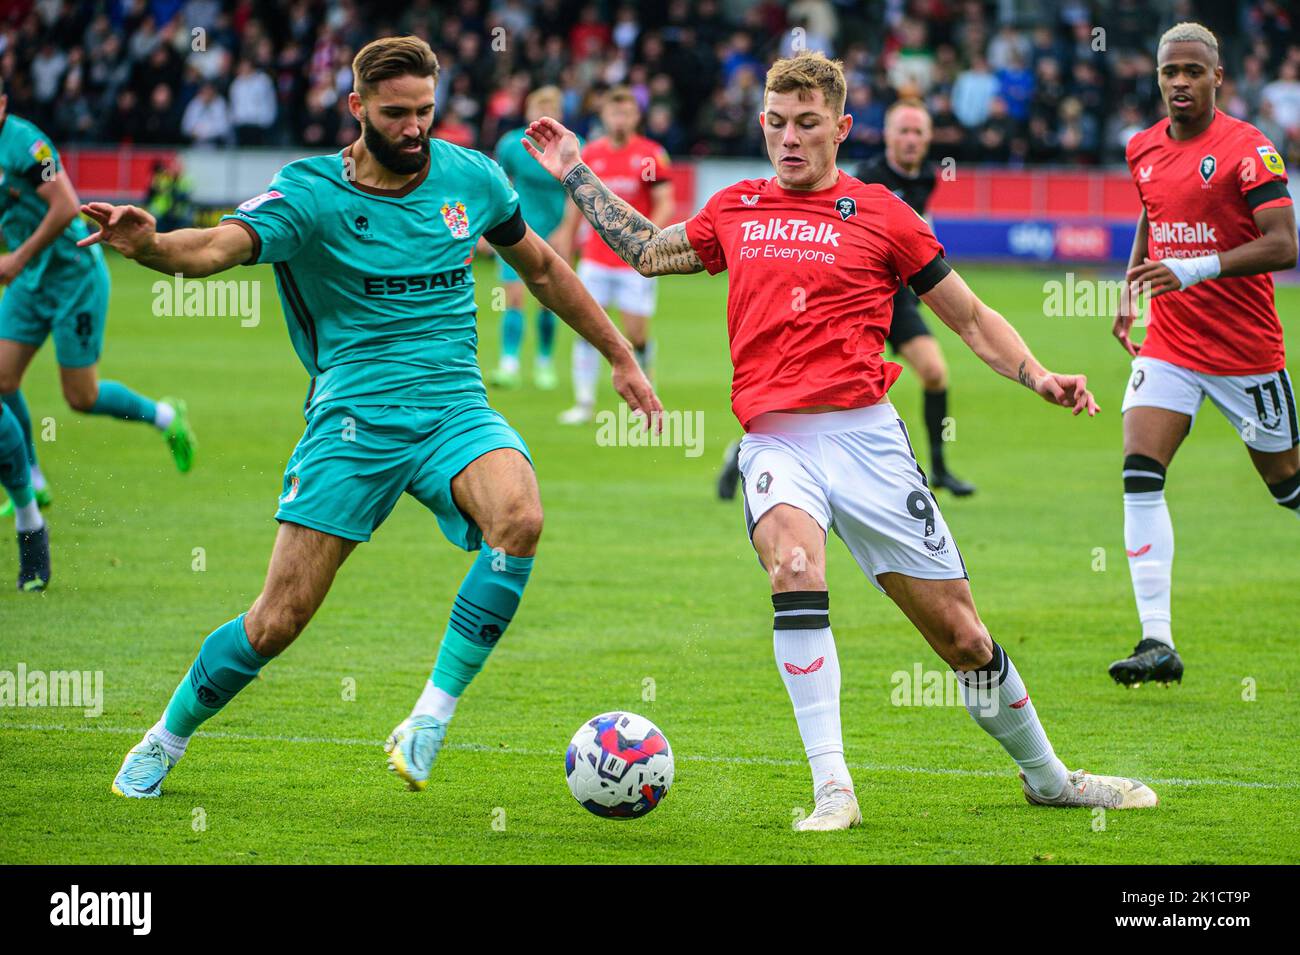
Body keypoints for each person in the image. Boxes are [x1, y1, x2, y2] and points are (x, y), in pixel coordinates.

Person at [526, 51, 1157, 829]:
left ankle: (1050, 777)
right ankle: (835, 788)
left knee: (963, 636)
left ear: (841, 126)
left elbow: (968, 317)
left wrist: (1039, 376)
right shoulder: (736, 208)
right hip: (776, 443)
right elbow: (647, 251)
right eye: (776, 123)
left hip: (868, 441)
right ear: (762, 123)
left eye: (807, 124)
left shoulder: (885, 214)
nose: (789, 138)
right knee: (794, 568)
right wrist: (573, 171)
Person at [94, 36, 660, 799]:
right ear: (357, 107)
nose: (415, 128)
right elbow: (217, 246)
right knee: (278, 619)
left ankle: (427, 718)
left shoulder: (473, 177)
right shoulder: (310, 194)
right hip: (353, 419)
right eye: (397, 113)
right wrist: (154, 246)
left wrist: (621, 354)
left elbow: (543, 269)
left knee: (520, 515)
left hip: (455, 406)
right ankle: (166, 738)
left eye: (426, 110)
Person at [1110, 23, 1298, 687]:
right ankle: (1156, 638)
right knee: (1139, 468)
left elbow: (1284, 244)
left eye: (1193, 71)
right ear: (1158, 77)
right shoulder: (1142, 147)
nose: (1180, 83)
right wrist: (1132, 285)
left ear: (1219, 76)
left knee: (1287, 487)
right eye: (1170, 72)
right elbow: (1152, 209)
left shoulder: (1250, 150)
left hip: (1247, 351)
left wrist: (1193, 269)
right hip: (1172, 342)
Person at [719, 99, 975, 500]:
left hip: (895, 297)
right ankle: (746, 452)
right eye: (903, 132)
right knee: (809, 393)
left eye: (918, 133)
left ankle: (939, 467)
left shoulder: (927, 176)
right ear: (887, 135)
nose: (910, 140)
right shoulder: (871, 180)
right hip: (851, 294)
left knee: (934, 373)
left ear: (928, 139)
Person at [0, 83, 196, 525]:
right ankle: (30, 476)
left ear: (3, 104)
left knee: (80, 397)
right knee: (1, 377)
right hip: (31, 282)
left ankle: (166, 416)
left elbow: (67, 205)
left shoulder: (30, 147)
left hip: (74, 276)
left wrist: (16, 258)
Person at [553, 86, 675, 424]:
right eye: (613, 113)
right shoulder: (591, 154)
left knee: (635, 335)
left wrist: (650, 239)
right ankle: (584, 402)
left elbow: (665, 200)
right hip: (595, 258)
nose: (619, 119)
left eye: (626, 113)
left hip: (635, 263)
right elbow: (578, 199)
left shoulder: (650, 154)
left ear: (636, 117)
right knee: (587, 329)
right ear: (603, 116)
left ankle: (644, 398)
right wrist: (566, 234)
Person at [486, 86, 572, 391]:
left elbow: (578, 193)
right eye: (539, 108)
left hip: (554, 232)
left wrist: (567, 230)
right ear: (528, 112)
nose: (544, 114)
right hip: (517, 231)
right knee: (515, 297)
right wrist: (491, 223)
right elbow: (499, 185)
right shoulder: (512, 145)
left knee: (549, 300)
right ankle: (509, 363)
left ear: (560, 115)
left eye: (551, 109)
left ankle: (544, 362)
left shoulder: (571, 146)